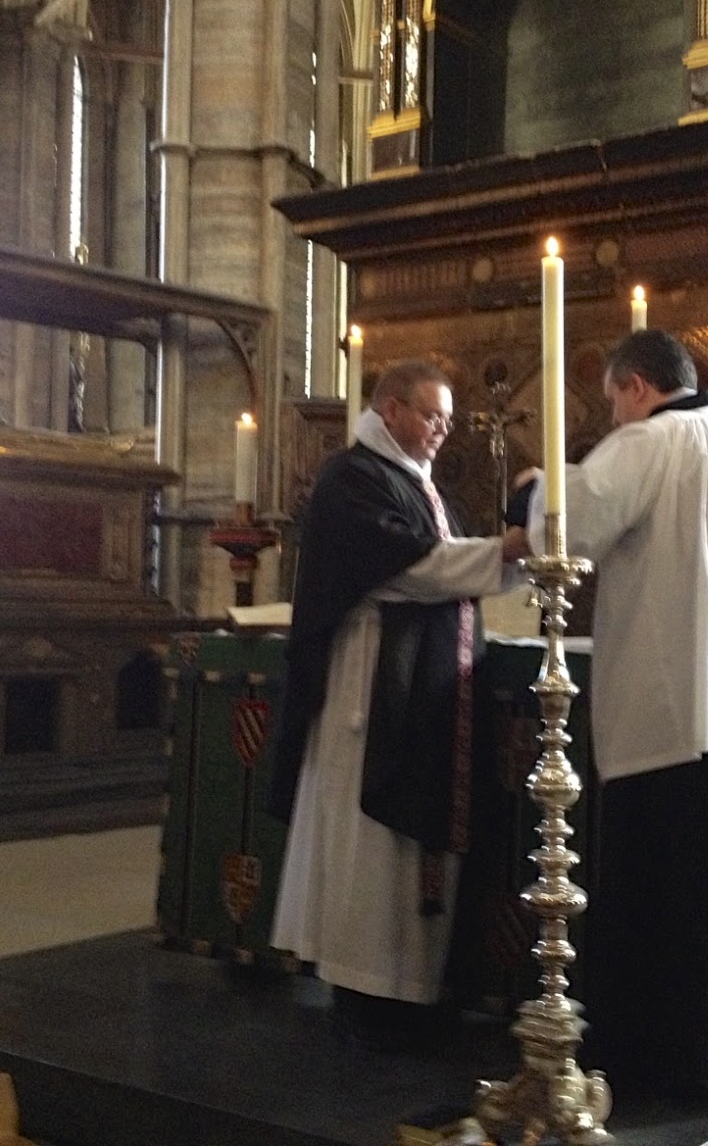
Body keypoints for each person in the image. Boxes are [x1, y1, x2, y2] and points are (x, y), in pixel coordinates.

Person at [517, 330, 708, 1097]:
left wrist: (529, 488)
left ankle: (672, 1058)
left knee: (675, 891)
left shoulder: (651, 441)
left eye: (613, 402)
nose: (615, 419)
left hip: (679, 713)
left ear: (634, 387)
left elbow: (571, 523)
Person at [268, 359, 526, 1039]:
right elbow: (411, 569)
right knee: (371, 839)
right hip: (370, 688)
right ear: (389, 410)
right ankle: (366, 986)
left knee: (403, 844)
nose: (442, 429)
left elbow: (442, 565)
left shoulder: (413, 482)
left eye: (447, 417)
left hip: (416, 684)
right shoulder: (352, 478)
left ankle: (407, 984)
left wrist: (507, 552)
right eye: (430, 414)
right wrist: (505, 549)